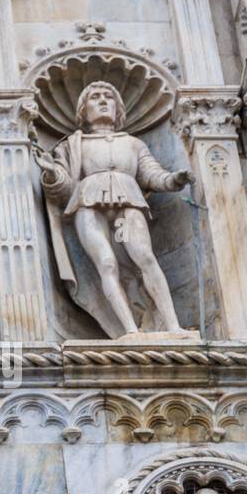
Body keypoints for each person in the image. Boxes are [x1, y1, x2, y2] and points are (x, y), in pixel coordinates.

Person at [35, 81, 192, 338]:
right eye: (95, 97)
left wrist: (174, 180)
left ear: (118, 108)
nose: (103, 100)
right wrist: (51, 173)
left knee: (145, 257)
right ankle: (129, 330)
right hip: (88, 204)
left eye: (108, 96)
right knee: (106, 264)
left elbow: (151, 174)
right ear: (83, 111)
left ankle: (173, 326)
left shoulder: (132, 143)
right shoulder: (73, 145)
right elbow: (63, 190)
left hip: (129, 201)